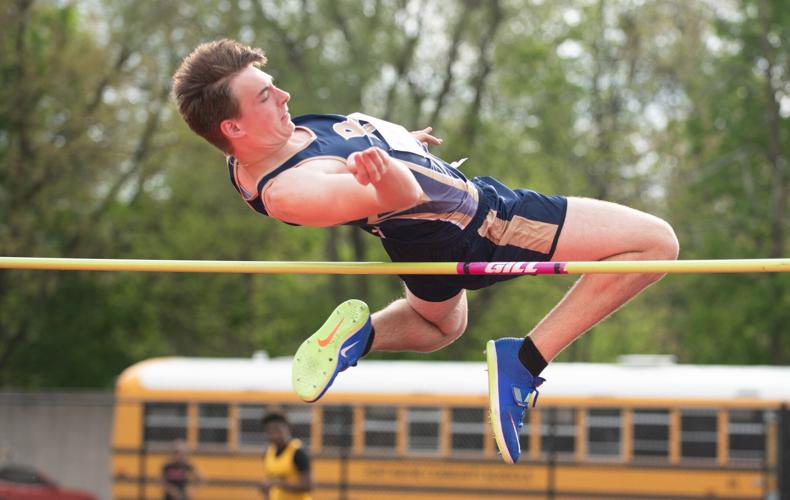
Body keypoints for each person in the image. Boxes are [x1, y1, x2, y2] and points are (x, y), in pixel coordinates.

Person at [171, 39, 679, 464]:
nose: (283, 95)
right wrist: (388, 169)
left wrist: (396, 142)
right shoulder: (290, 191)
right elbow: (402, 195)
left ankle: (360, 336)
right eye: (264, 95)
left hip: (419, 242)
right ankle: (524, 359)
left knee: (440, 326)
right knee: (656, 244)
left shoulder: (260, 149)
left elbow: (343, 146)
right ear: (233, 129)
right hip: (480, 223)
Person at [260, 411, 313, 500]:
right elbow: (269, 483)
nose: (274, 435)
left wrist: (278, 483)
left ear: (287, 429)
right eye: (270, 431)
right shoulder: (268, 452)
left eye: (277, 430)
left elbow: (308, 485)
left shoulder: (298, 451)